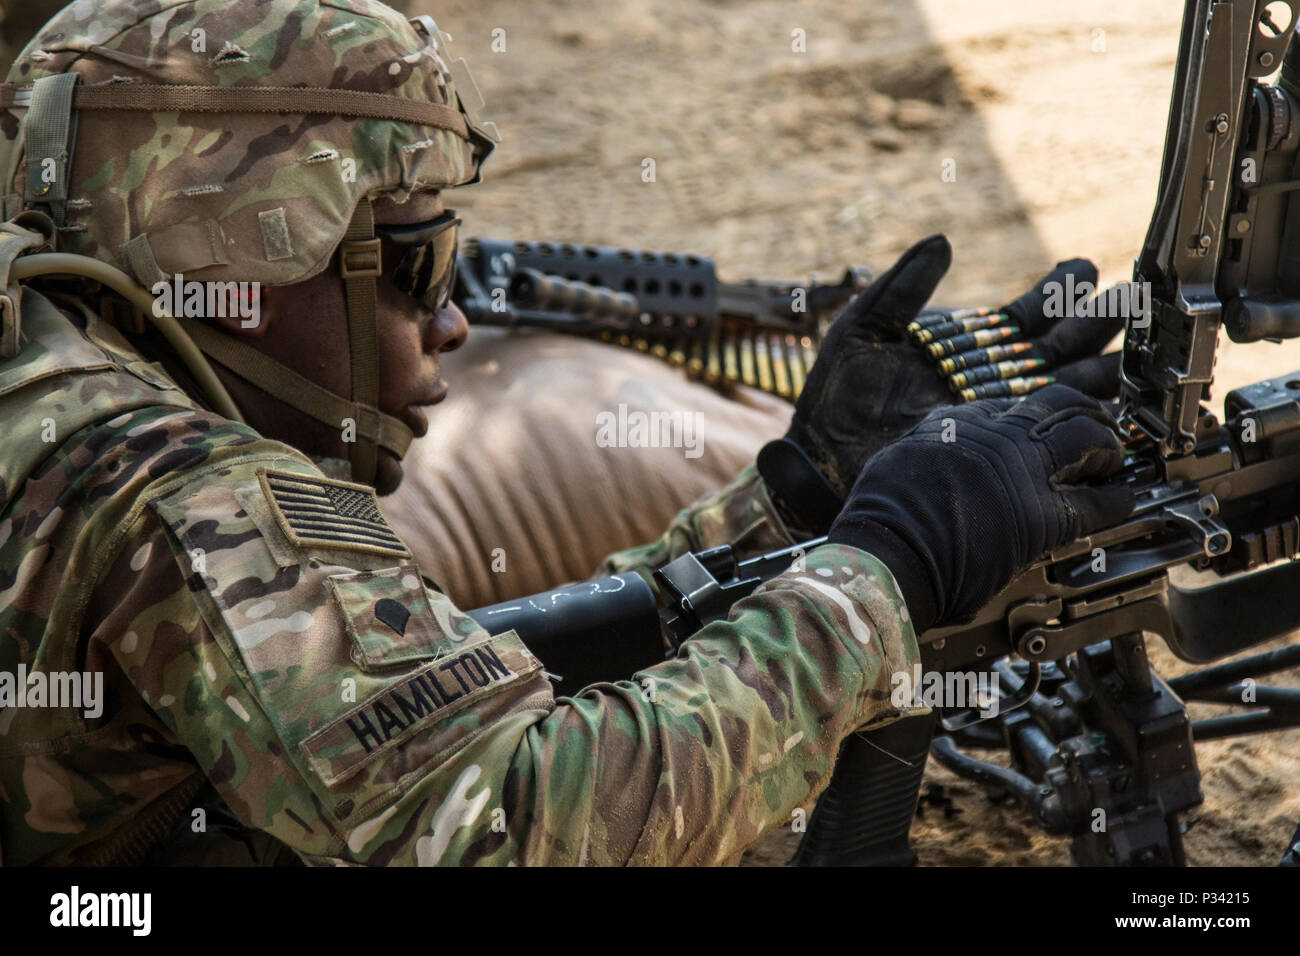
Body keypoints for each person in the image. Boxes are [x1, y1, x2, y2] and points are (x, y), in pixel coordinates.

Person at [0, 0, 1131, 865]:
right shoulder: (185, 498)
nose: (452, 323)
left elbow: (419, 692)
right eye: (419, 263)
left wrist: (794, 498)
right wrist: (886, 574)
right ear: (246, 271)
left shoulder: (47, 359)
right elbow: (521, 818)